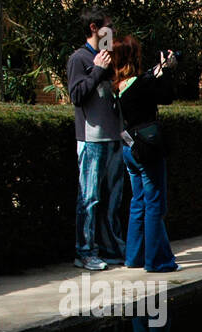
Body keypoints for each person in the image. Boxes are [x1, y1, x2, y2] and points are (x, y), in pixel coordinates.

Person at [112, 36, 179, 273]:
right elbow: (167, 96)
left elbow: (145, 85)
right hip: (148, 150)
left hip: (130, 149)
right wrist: (168, 70)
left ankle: (135, 256)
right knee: (154, 204)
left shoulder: (117, 87)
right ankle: (157, 261)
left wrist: (156, 72)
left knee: (138, 202)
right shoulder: (140, 85)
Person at [68, 6, 127, 270]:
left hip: (114, 138)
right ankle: (84, 252)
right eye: (108, 26)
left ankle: (111, 249)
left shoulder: (110, 57)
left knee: (113, 198)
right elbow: (77, 96)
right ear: (94, 28)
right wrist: (96, 70)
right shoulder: (79, 59)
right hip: (91, 140)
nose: (112, 31)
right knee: (89, 199)